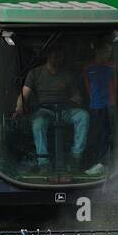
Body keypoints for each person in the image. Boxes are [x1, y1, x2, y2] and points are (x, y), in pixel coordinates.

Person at [18, 45, 90, 173]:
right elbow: (24, 94)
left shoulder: (67, 75)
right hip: (45, 111)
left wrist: (76, 100)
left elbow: (77, 97)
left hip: (65, 110)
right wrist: (18, 109)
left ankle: (75, 157)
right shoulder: (35, 73)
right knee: (38, 123)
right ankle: (43, 162)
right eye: (55, 56)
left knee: (83, 116)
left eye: (60, 57)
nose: (58, 59)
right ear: (48, 56)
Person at [81, 39, 116, 177]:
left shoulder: (112, 67)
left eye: (110, 52)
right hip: (95, 106)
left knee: (106, 136)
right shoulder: (88, 68)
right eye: (106, 51)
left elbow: (116, 86)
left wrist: (112, 103)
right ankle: (97, 163)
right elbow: (88, 88)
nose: (108, 54)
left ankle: (103, 164)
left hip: (110, 106)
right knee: (96, 136)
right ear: (98, 51)